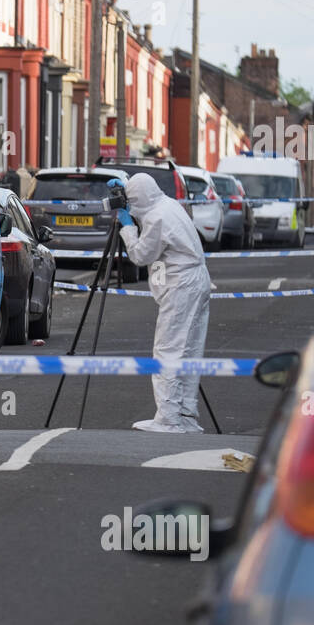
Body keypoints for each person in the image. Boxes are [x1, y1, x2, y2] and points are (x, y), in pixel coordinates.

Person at [112, 173, 211, 433]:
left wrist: (127, 226)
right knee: (188, 351)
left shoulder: (156, 218)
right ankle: (186, 415)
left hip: (182, 285)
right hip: (196, 280)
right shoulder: (168, 204)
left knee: (168, 350)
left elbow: (141, 255)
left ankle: (168, 418)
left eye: (131, 201)